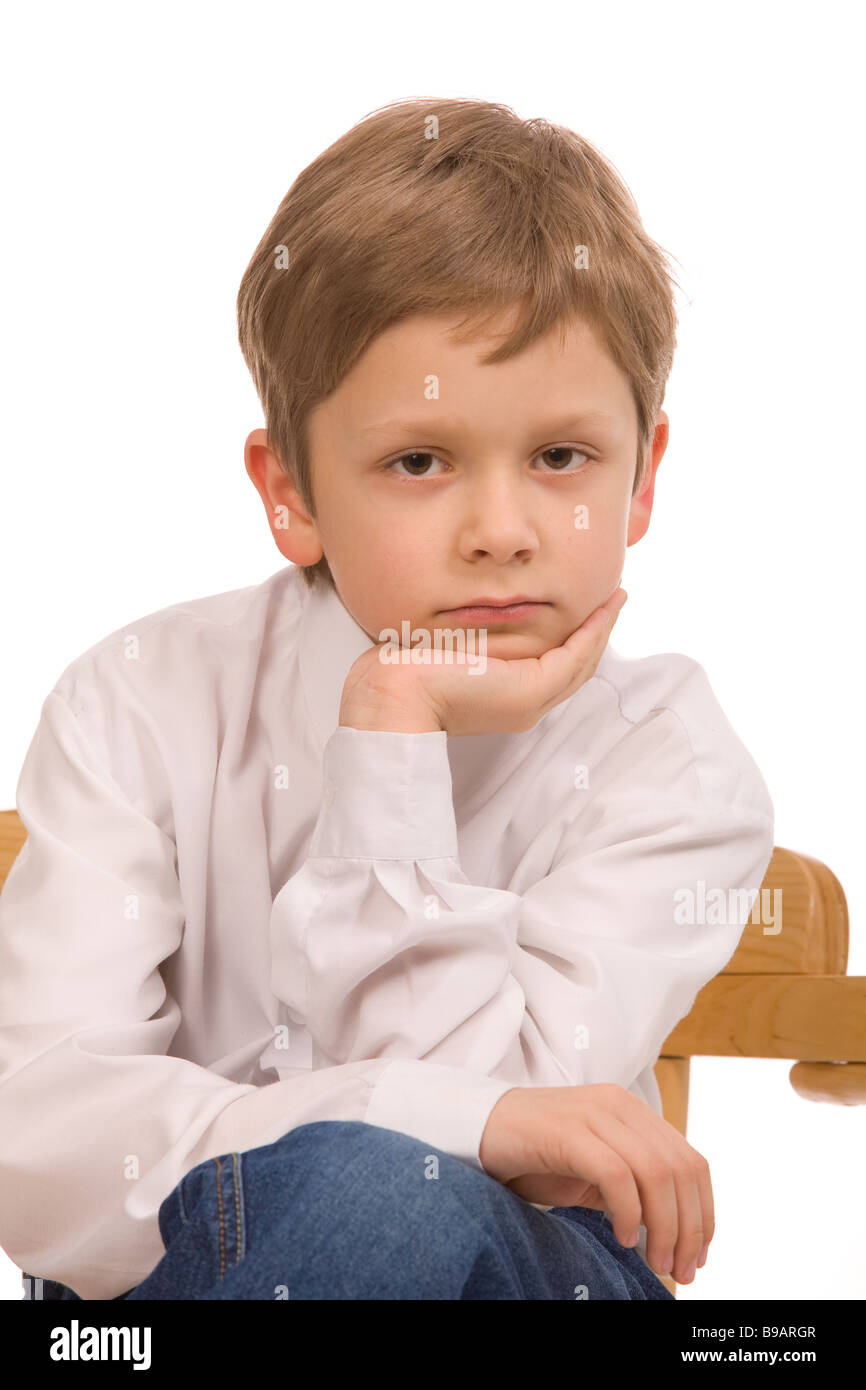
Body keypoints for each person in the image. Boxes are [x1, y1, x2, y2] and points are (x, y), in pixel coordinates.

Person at [2, 96, 774, 1301]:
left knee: (377, 1195)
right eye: (418, 461)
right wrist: (389, 1112)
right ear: (291, 491)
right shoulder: (137, 702)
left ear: (642, 479)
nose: (502, 532)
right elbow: (35, 1149)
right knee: (342, 1187)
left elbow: (462, 1183)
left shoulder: (669, 762)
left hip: (534, 1275)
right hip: (171, 1289)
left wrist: (391, 739)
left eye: (561, 457)